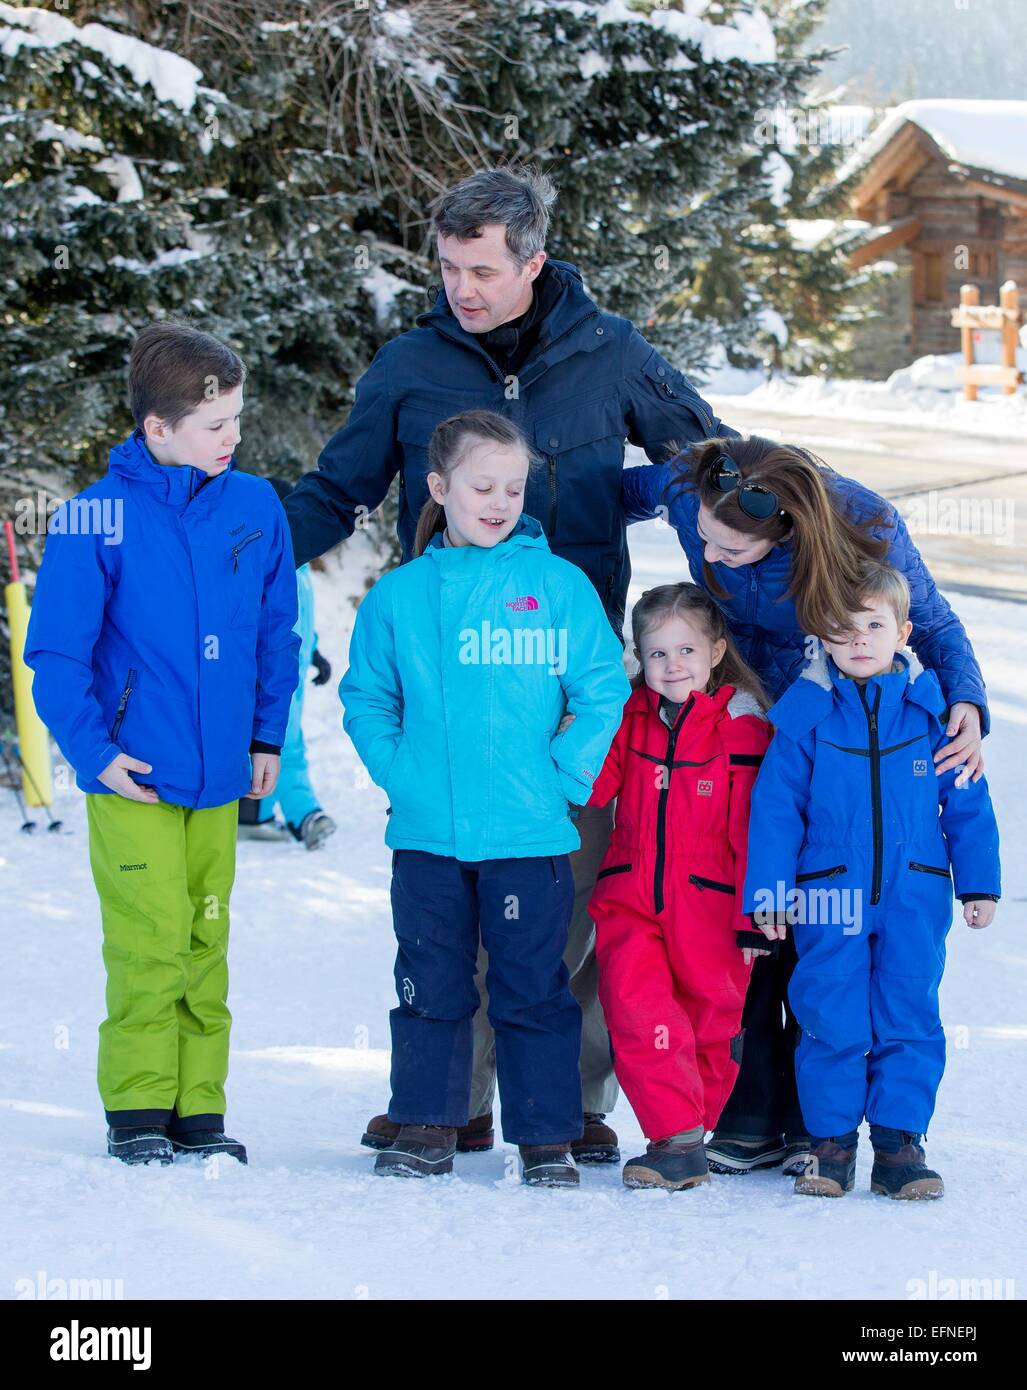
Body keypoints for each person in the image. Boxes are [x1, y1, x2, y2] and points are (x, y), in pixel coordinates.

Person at [283, 164, 735, 1163]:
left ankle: (563, 1101)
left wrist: (790, 549)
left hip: (564, 683)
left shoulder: (607, 352)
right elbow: (334, 492)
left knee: (565, 902)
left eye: (482, 269)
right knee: (452, 914)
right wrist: (232, 544)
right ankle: (452, 1098)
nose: (462, 289)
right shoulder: (408, 365)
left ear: (534, 260)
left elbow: (708, 464)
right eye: (447, 267)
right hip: (448, 683)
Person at [622, 436, 990, 1176]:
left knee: (825, 945)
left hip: (822, 715)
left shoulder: (864, 524)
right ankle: (753, 1113)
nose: (711, 557)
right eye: (702, 539)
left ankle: (827, 1127)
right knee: (754, 908)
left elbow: (933, 624)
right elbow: (609, 490)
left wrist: (967, 705)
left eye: (731, 548)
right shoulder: (696, 486)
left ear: (785, 528)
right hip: (737, 707)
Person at [24, 322, 300, 1166]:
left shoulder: (253, 506)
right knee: (149, 941)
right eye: (215, 425)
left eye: (237, 421)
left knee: (205, 937)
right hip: (132, 774)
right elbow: (56, 656)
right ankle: (140, 1106)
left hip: (220, 774)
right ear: (158, 428)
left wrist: (265, 733)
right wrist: (94, 752)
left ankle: (199, 1108)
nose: (233, 437)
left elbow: (275, 630)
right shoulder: (94, 517)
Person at [339, 410, 630, 1186]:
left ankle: (545, 1136)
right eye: (480, 486)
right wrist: (400, 774)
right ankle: (431, 1122)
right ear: (439, 487)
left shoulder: (557, 586)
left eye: (513, 486)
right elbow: (367, 697)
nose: (499, 501)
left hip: (531, 836)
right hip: (429, 833)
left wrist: (563, 778)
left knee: (532, 987)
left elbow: (602, 690)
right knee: (430, 983)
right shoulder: (400, 596)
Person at [743, 560, 1000, 1199]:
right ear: (821, 635)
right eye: (842, 628)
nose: (858, 640)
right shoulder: (805, 717)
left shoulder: (931, 712)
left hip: (915, 892)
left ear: (902, 631)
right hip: (828, 892)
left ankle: (899, 1145)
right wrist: (769, 896)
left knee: (909, 1013)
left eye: (873, 626)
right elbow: (776, 812)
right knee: (830, 1013)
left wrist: (980, 883)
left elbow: (967, 799)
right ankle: (830, 1147)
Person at [584, 584, 772, 1189]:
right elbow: (595, 789)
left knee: (708, 1023)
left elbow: (755, 829)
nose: (673, 666)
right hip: (630, 893)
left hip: (712, 904)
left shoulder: (742, 729)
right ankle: (675, 1138)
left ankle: (689, 1134)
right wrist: (595, 712)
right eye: (657, 654)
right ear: (638, 658)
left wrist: (757, 906)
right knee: (637, 1009)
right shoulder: (627, 714)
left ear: (717, 650)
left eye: (687, 650)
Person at [238, 478, 337, 850]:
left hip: (292, 668)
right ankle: (304, 815)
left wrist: (315, 653)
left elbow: (301, 617)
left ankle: (254, 814)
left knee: (272, 741)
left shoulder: (298, 558)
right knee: (285, 742)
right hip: (270, 672)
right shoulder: (260, 559)